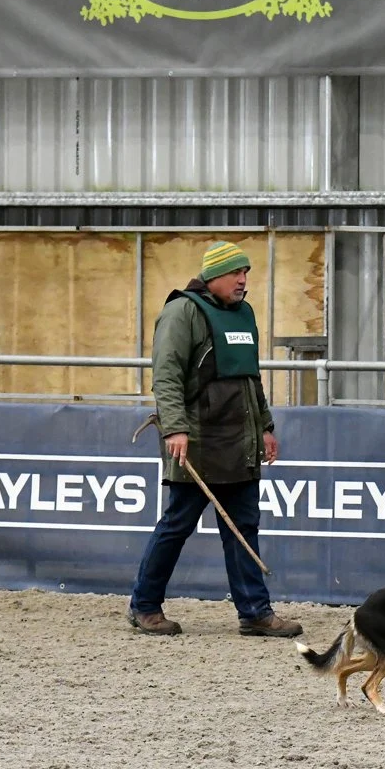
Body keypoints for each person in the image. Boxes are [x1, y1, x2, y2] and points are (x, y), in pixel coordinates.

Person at [127, 241, 303, 638]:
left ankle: (255, 612)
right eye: (236, 273)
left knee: (244, 528)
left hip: (239, 444)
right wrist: (175, 427)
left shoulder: (244, 314)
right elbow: (167, 374)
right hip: (198, 443)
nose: (243, 280)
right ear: (214, 276)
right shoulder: (182, 312)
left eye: (246, 273)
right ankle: (144, 605)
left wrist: (265, 426)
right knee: (177, 525)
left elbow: (250, 377)